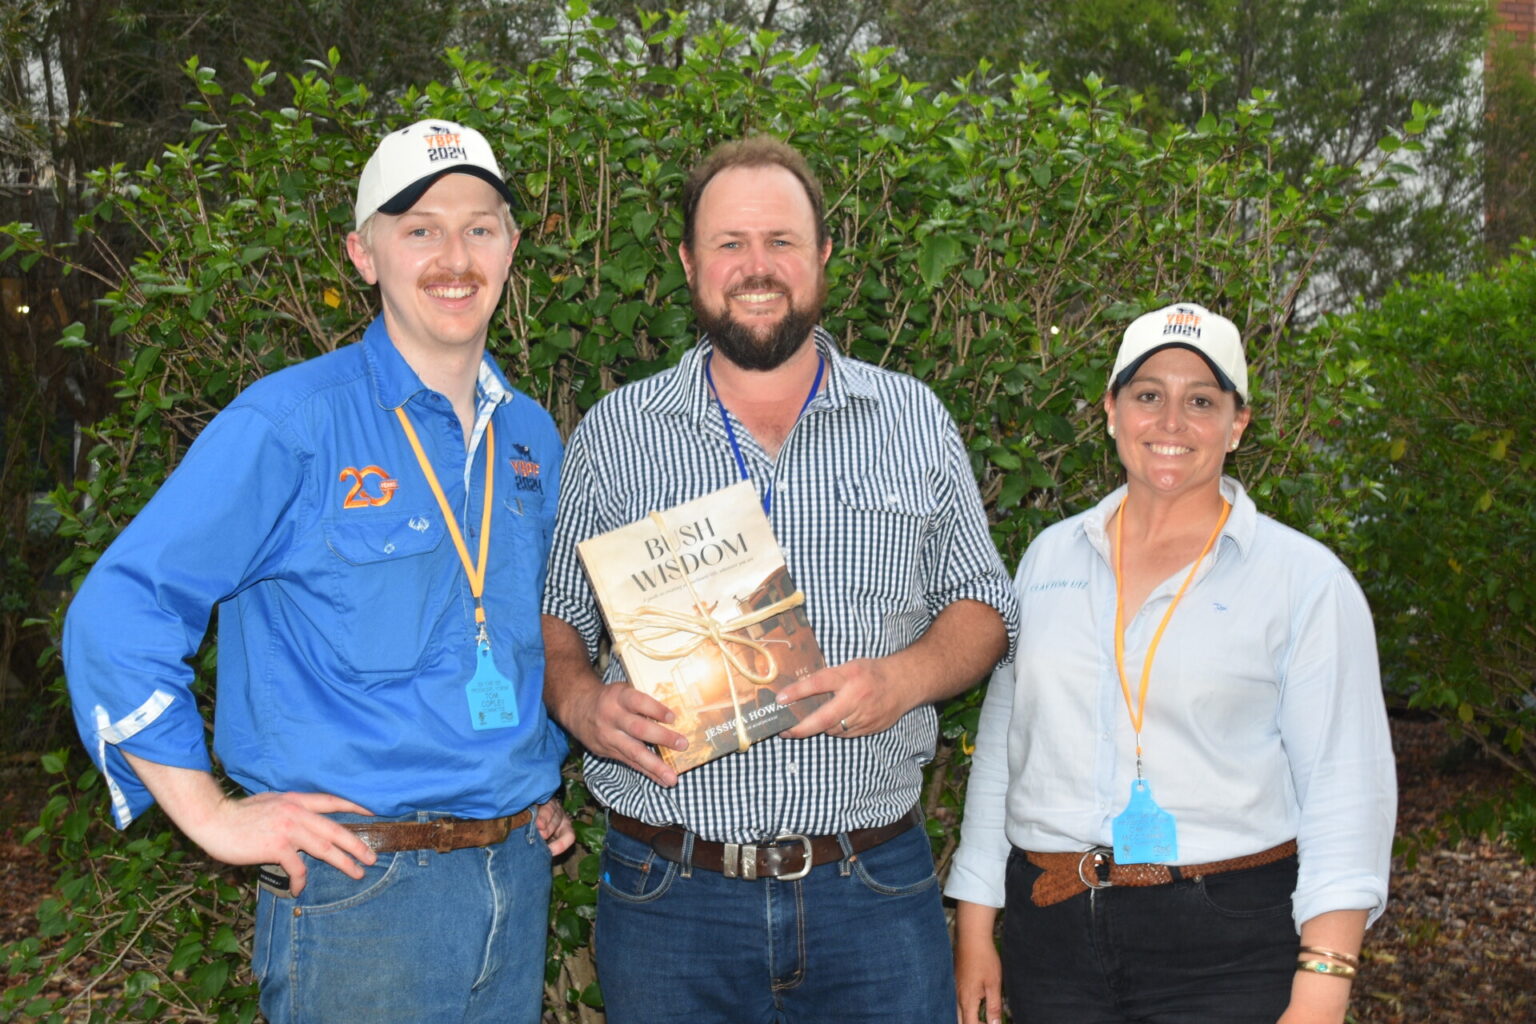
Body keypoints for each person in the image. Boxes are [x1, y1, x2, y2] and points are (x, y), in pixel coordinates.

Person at [63, 120, 573, 1024]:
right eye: (418, 229)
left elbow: (512, 635)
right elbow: (119, 612)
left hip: (515, 874)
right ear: (363, 253)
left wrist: (530, 779)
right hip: (360, 898)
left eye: (480, 226)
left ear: (511, 247)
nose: (455, 256)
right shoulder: (291, 425)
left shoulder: (530, 437)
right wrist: (215, 817)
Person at [540, 135, 1019, 1023]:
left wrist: (902, 679)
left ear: (824, 256)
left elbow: (986, 606)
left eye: (782, 242)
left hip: (872, 888)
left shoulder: (912, 418)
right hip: (669, 892)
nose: (756, 267)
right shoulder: (618, 432)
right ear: (688, 263)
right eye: (729, 244)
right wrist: (580, 704)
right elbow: (558, 617)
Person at [947, 302, 1397, 1024]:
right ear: (1111, 410)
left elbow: (1348, 796)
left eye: (1202, 402)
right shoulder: (1048, 560)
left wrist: (1322, 986)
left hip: (1225, 947)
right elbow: (1004, 751)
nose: (1171, 422)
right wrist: (975, 928)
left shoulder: (1304, 583)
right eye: (1148, 394)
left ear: (1237, 424)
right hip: (1051, 941)